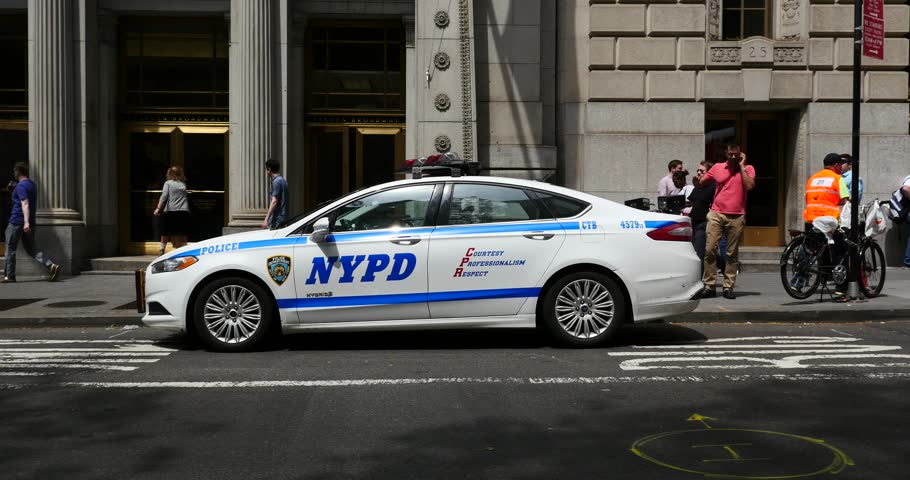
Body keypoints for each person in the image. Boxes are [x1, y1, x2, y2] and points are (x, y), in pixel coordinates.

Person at [693, 144, 755, 300]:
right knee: (709, 250)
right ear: (726, 154)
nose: (733, 157)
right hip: (716, 213)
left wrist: (741, 166)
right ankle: (709, 286)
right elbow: (701, 183)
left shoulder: (748, 169)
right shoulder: (718, 168)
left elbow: (749, 186)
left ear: (740, 155)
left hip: (737, 215)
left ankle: (728, 287)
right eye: (730, 154)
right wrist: (697, 180)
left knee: (731, 253)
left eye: (736, 155)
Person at [2, 162, 60, 283]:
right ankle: (51, 265)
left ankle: (9, 276)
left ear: (18, 171)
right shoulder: (31, 185)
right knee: (32, 249)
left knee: (10, 248)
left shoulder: (21, 186)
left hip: (17, 221)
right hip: (30, 221)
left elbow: (25, 203)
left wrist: (26, 222)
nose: (14, 173)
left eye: (14, 171)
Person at [688, 161, 726, 274]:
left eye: (702, 171)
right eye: (698, 171)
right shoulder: (697, 187)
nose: (699, 173)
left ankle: (698, 280)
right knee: (707, 251)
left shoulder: (713, 187)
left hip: (704, 224)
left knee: (699, 253)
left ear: (709, 173)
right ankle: (724, 266)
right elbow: (692, 202)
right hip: (694, 223)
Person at [153, 166, 191, 256]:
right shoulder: (183, 184)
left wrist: (158, 208)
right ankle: (184, 250)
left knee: (165, 231)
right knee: (182, 232)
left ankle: (162, 250)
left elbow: (164, 196)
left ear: (169, 174)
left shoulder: (168, 183)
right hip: (183, 210)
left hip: (171, 210)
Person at [890, 173, 910, 268]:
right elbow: (906, 189)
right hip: (905, 211)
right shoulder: (909, 178)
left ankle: (908, 261)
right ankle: (908, 261)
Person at [262, 158, 289, 230]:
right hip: (284, 216)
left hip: (277, 218)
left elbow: (274, 201)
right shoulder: (283, 180)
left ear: (269, 169)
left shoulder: (276, 182)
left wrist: (266, 219)